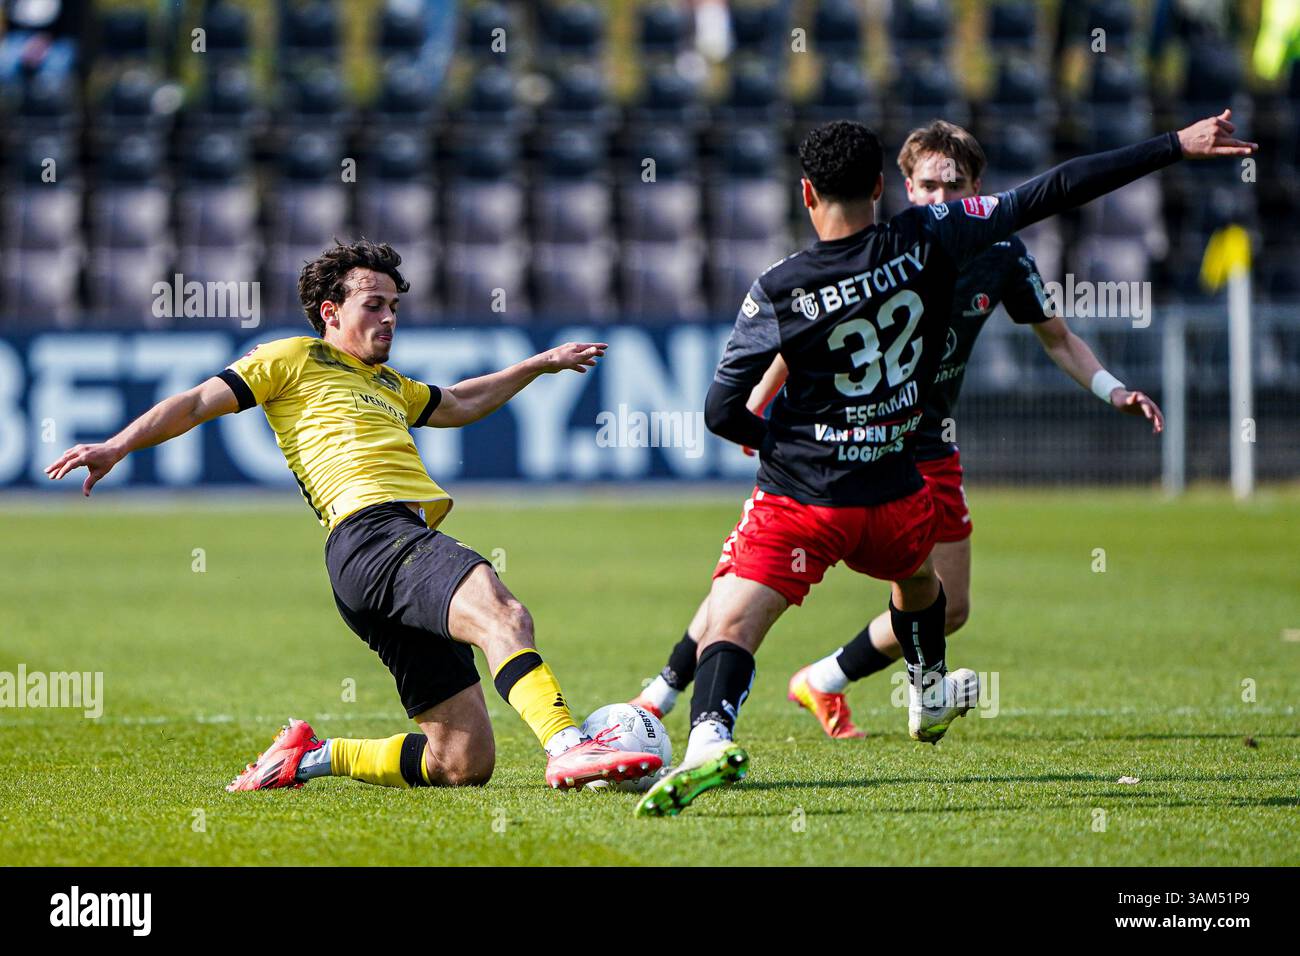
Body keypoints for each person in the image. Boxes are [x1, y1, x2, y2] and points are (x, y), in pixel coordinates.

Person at [634, 111, 1256, 818]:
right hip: (897, 480)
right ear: (885, 185)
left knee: (741, 613)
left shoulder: (786, 283)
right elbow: (1055, 189)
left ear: (807, 194)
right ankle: (921, 688)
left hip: (821, 483)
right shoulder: (932, 238)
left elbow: (723, 408)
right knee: (922, 585)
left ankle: (709, 734)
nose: (938, 196)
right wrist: (1174, 144)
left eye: (950, 185)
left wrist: (777, 435)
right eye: (926, 184)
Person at [45, 238, 662, 793]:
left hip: (376, 559)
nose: (389, 316)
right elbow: (196, 402)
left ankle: (311, 757)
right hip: (373, 534)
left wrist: (534, 365)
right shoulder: (293, 358)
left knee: (461, 762)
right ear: (330, 313)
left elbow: (462, 401)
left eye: (394, 305)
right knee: (503, 612)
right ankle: (569, 747)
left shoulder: (390, 383)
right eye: (374, 304)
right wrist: (118, 444)